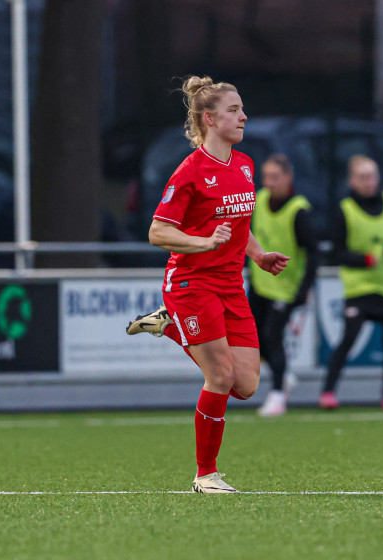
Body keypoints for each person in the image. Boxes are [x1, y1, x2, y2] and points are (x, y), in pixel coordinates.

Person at [125, 75, 289, 493]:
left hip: (231, 284)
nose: (244, 117)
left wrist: (258, 255)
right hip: (191, 283)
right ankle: (206, 475)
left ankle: (169, 326)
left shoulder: (246, 165)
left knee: (247, 385)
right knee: (219, 377)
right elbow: (158, 232)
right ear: (210, 119)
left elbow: (238, 225)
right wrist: (201, 242)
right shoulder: (190, 172)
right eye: (235, 110)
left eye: (242, 109)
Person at [319, 155, 383, 413]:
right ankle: (328, 391)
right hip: (360, 287)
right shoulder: (345, 209)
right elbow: (336, 251)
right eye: (362, 177)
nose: (368, 182)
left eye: (371, 176)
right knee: (348, 339)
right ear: (352, 180)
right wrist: (363, 260)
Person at [249, 153, 318, 417]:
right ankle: (283, 376)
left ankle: (278, 395)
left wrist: (304, 289)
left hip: (285, 288)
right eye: (266, 176)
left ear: (288, 178)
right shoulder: (259, 200)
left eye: (275, 177)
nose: (269, 182)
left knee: (272, 336)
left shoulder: (298, 210)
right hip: (259, 283)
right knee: (252, 338)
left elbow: (313, 253)